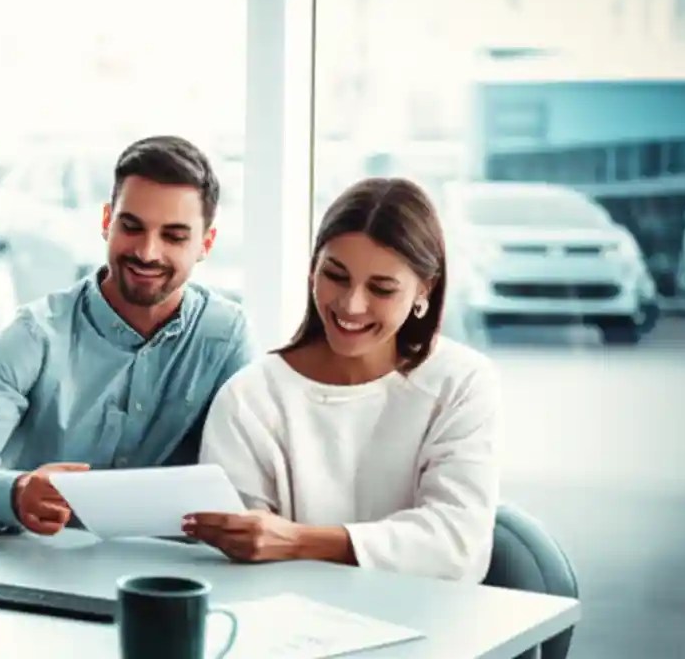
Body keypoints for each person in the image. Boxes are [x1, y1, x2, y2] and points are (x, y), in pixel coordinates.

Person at [0, 136, 256, 534]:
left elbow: (246, 482)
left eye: (174, 236)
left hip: (167, 575)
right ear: (107, 221)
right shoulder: (36, 335)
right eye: (131, 227)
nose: (147, 252)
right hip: (42, 566)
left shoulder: (226, 336)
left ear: (204, 244)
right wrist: (15, 491)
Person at [184, 178, 501, 583]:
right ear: (313, 268)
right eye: (335, 276)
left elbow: (458, 546)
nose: (352, 304)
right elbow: (236, 552)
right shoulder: (250, 397)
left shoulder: (461, 382)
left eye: (382, 288)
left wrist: (300, 541)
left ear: (426, 288)